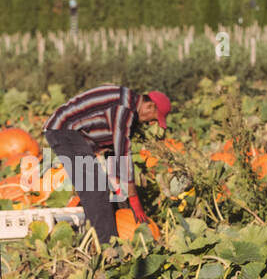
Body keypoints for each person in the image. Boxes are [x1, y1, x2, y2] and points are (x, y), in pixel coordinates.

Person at [43, 85, 171, 243]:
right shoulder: (125, 108)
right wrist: (134, 200)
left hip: (74, 134)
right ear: (149, 105)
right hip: (65, 130)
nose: (152, 123)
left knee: (101, 186)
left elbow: (113, 154)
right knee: (95, 186)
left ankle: (100, 236)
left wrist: (121, 187)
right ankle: (106, 247)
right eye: (154, 118)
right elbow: (121, 150)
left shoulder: (129, 107)